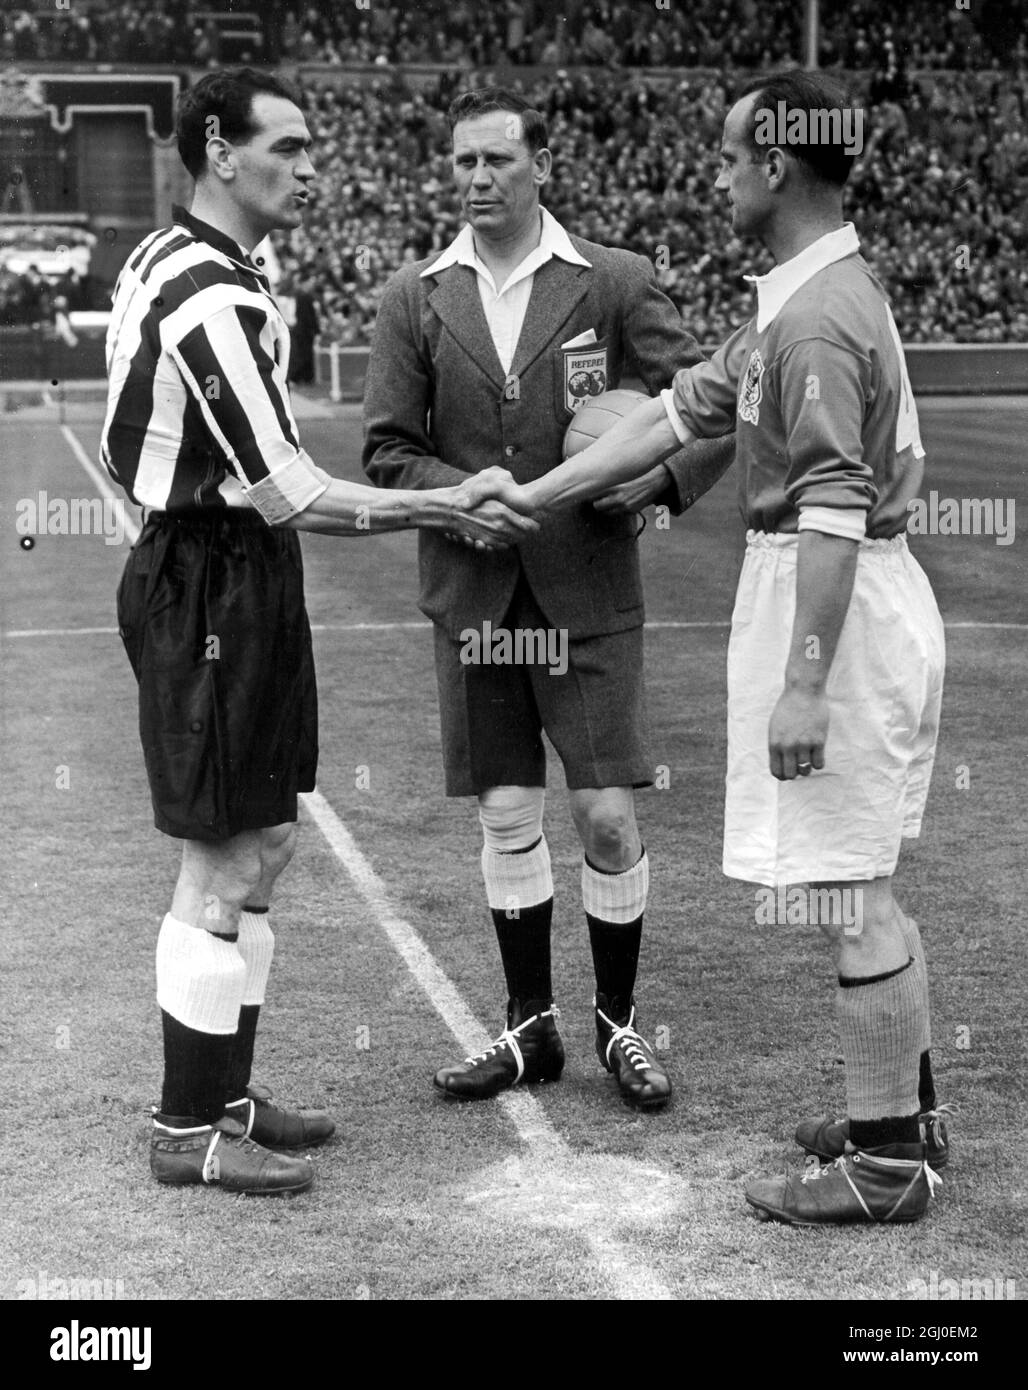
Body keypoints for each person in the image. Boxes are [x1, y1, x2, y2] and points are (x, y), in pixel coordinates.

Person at [464, 70, 948, 1224]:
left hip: (834, 605)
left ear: (775, 165)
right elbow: (669, 418)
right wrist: (539, 491)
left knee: (846, 892)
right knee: (862, 879)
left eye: (731, 154)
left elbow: (829, 510)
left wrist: (803, 683)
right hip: (854, 595)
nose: (717, 171)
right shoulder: (798, 297)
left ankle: (882, 1163)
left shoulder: (817, 313)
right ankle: (904, 1114)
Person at [101, 68, 535, 1196]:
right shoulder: (207, 288)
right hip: (208, 575)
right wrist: (448, 500)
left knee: (270, 840)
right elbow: (291, 488)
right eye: (286, 147)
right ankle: (186, 1127)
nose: (308, 166)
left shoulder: (196, 261)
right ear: (218, 150)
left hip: (231, 565)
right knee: (221, 853)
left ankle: (225, 1092)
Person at [363, 87, 734, 1110]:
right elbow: (386, 454)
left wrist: (653, 485)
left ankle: (618, 1025)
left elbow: (703, 410)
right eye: (460, 166)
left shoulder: (613, 282)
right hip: (474, 597)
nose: (476, 180)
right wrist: (459, 500)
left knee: (607, 818)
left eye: (495, 161)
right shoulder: (412, 297)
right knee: (505, 810)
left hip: (589, 591)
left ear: (538, 166)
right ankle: (531, 1027)